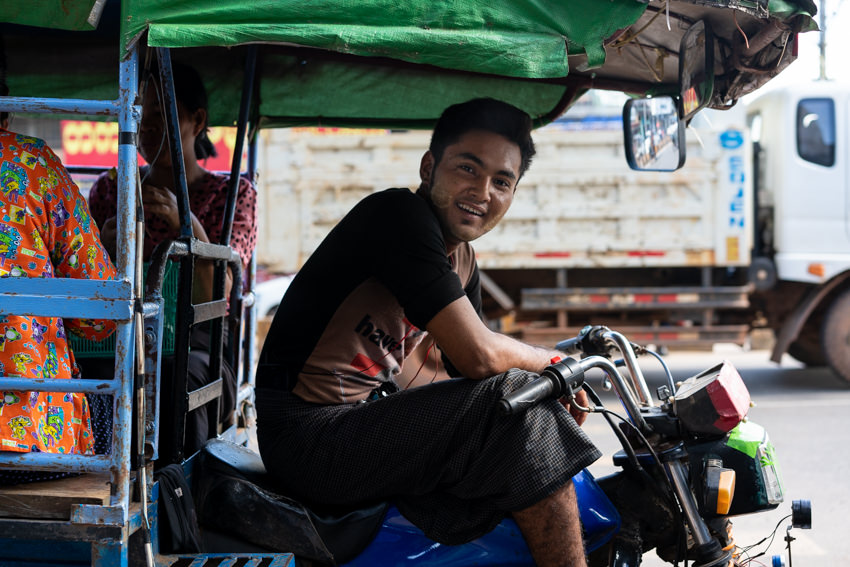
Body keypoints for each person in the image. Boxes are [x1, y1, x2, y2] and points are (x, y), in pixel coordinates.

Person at [256, 98, 601, 566]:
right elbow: (481, 355)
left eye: (502, 181)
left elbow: (470, 369)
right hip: (308, 436)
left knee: (519, 402)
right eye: (467, 168)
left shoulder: (461, 259)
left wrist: (546, 383)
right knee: (522, 404)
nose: (482, 191)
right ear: (429, 166)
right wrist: (557, 367)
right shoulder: (398, 218)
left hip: (360, 422)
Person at [86, 62, 257, 455]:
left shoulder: (233, 196)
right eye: (139, 116)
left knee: (176, 377)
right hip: (118, 336)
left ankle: (178, 497)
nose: (146, 128)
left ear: (197, 120)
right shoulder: (109, 193)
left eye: (160, 116)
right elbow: (89, 282)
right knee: (88, 371)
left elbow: (220, 291)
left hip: (198, 343)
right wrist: (102, 248)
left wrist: (189, 228)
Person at [0, 79, 118, 484]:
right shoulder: (32, 164)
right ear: (8, 108)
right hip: (27, 440)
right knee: (110, 409)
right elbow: (100, 314)